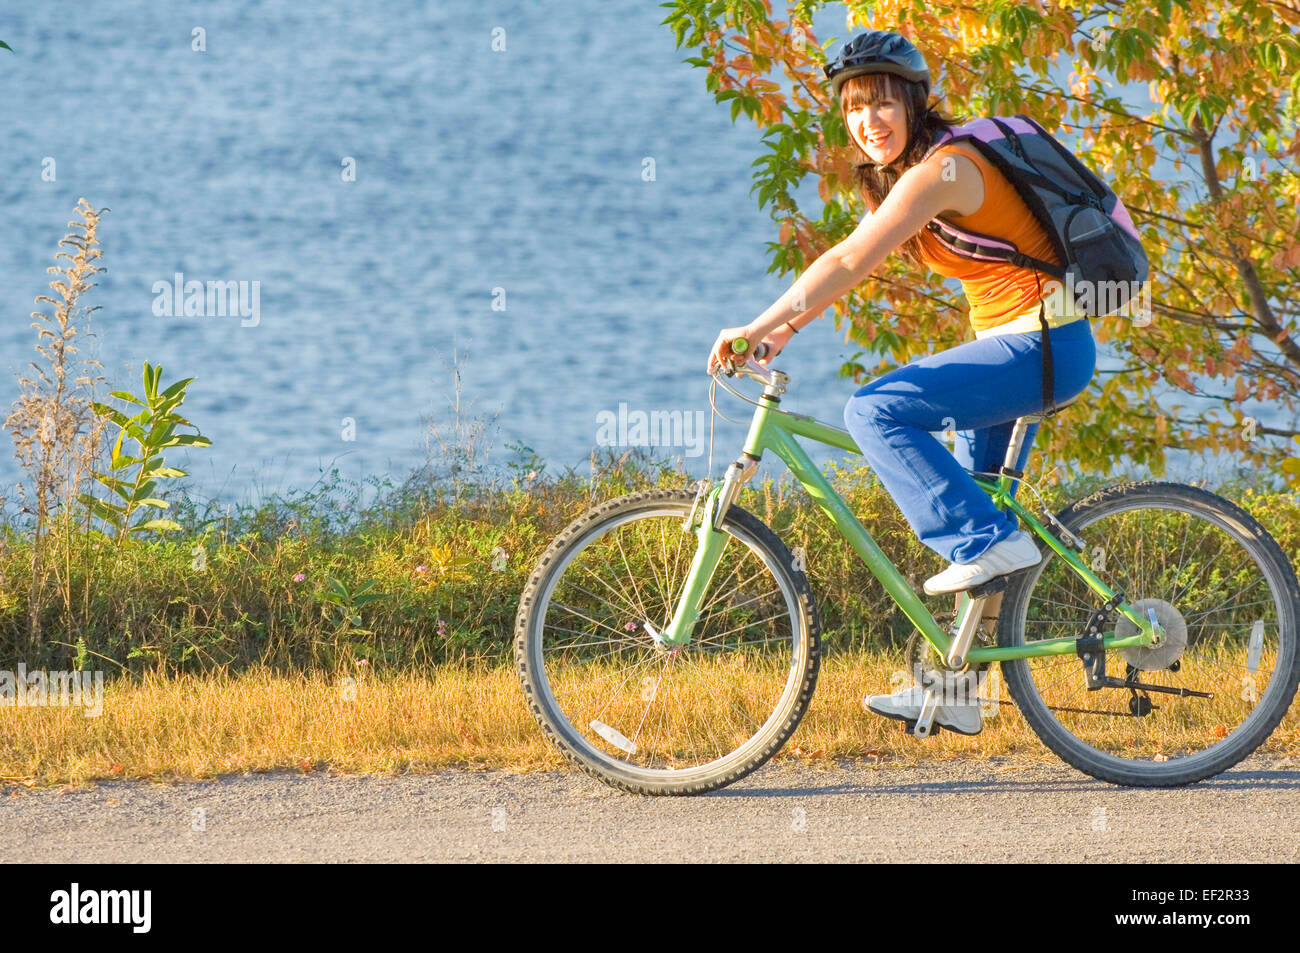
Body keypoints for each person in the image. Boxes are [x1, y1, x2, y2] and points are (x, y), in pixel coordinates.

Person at [705, 30, 1097, 735]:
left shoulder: (945, 170)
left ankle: (982, 541)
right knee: (986, 522)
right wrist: (786, 332)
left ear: (915, 103)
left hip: (1041, 345)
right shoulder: (912, 173)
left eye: (884, 103)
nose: (868, 122)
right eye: (855, 108)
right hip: (1024, 343)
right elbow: (854, 260)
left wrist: (755, 325)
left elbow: (850, 257)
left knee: (875, 412)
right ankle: (955, 690)